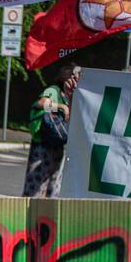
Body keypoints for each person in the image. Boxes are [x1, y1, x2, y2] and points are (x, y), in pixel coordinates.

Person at [22, 62, 79, 197]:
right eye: (75, 76)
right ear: (66, 77)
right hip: (42, 144)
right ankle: (28, 214)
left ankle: (48, 216)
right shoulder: (53, 90)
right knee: (34, 185)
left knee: (54, 187)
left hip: (58, 145)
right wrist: (60, 107)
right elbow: (41, 103)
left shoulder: (72, 96)